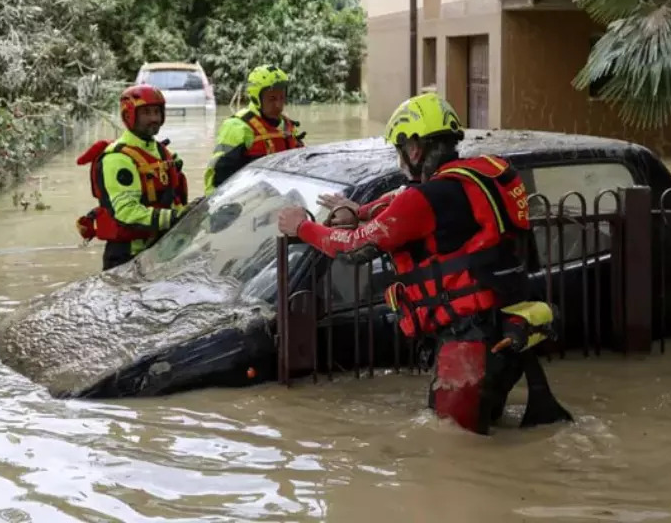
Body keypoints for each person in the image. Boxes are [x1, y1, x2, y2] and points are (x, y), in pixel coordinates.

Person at [276, 92, 573, 435]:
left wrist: (302, 226)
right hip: (505, 331)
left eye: (399, 150)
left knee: (453, 450)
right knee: (482, 434)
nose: (400, 159)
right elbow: (400, 200)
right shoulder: (476, 178)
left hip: (467, 345)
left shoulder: (427, 199)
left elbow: (355, 248)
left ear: (414, 149)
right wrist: (355, 209)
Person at [76, 84, 190, 271]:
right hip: (127, 257)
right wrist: (174, 218)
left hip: (160, 251)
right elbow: (126, 212)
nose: (154, 118)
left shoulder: (161, 152)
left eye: (157, 112)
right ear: (130, 115)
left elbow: (174, 201)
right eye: (146, 113)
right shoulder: (117, 158)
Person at [204, 65, 306, 196]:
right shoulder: (237, 127)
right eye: (272, 99)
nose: (279, 105)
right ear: (256, 98)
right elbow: (216, 176)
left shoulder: (288, 126)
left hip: (282, 199)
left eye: (282, 97)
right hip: (250, 201)